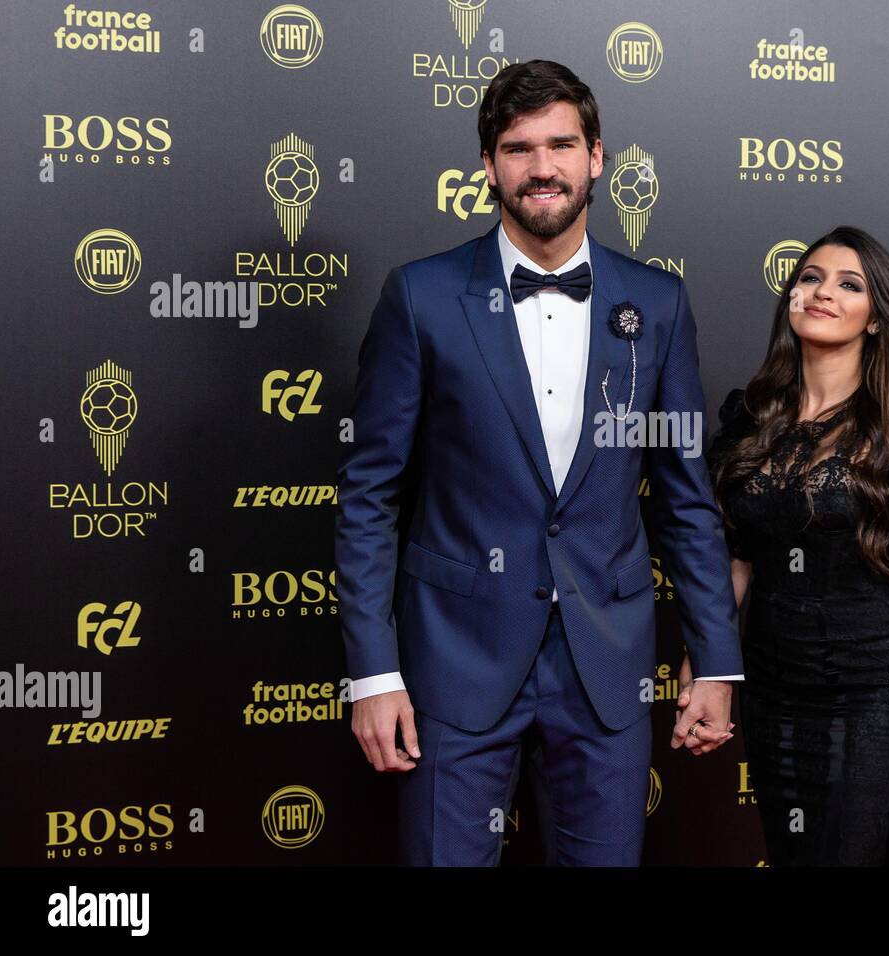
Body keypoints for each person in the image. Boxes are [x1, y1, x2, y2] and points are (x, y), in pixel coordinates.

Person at [333, 59, 744, 866]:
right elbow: (369, 496)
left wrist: (717, 658)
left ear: (598, 157)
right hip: (454, 662)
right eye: (519, 149)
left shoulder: (657, 303)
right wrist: (373, 675)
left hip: (607, 665)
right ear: (488, 166)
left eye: (562, 144)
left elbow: (687, 498)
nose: (542, 168)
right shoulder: (421, 295)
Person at [689, 225, 889, 866]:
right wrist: (706, 668)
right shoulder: (751, 416)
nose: (823, 292)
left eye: (849, 284)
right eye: (810, 278)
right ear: (790, 299)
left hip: (877, 689)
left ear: (877, 317)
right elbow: (735, 559)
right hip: (773, 692)